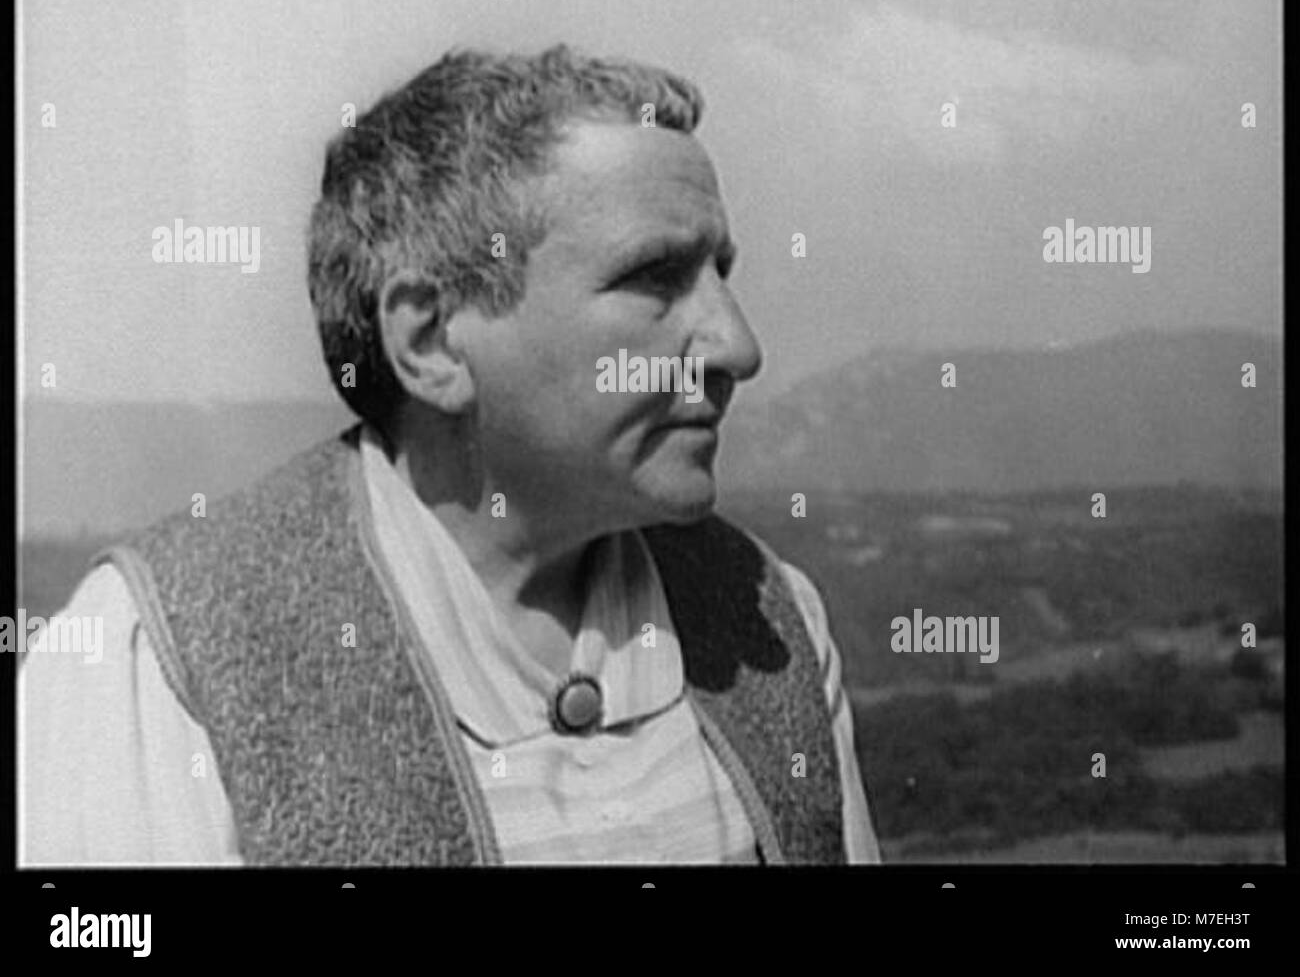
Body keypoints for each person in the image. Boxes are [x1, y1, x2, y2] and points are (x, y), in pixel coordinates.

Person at [20, 44, 881, 866]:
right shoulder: (157, 664)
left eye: (721, 273)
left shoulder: (768, 615)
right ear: (430, 342)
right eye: (654, 276)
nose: (737, 345)